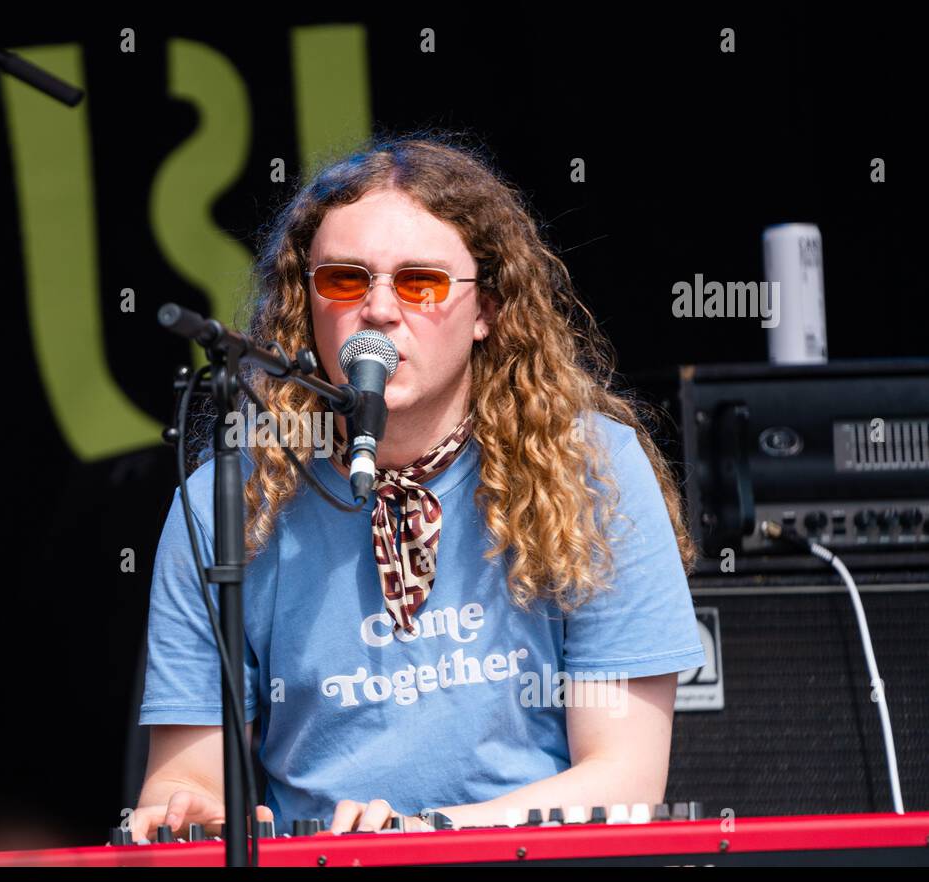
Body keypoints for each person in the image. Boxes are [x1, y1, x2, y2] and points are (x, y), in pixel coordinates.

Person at [131, 133, 705, 841]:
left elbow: (625, 780)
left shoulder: (595, 469)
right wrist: (186, 811)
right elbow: (185, 777)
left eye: (419, 282)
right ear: (305, 304)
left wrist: (421, 832)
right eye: (344, 280)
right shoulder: (224, 502)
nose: (378, 309)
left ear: (487, 308)